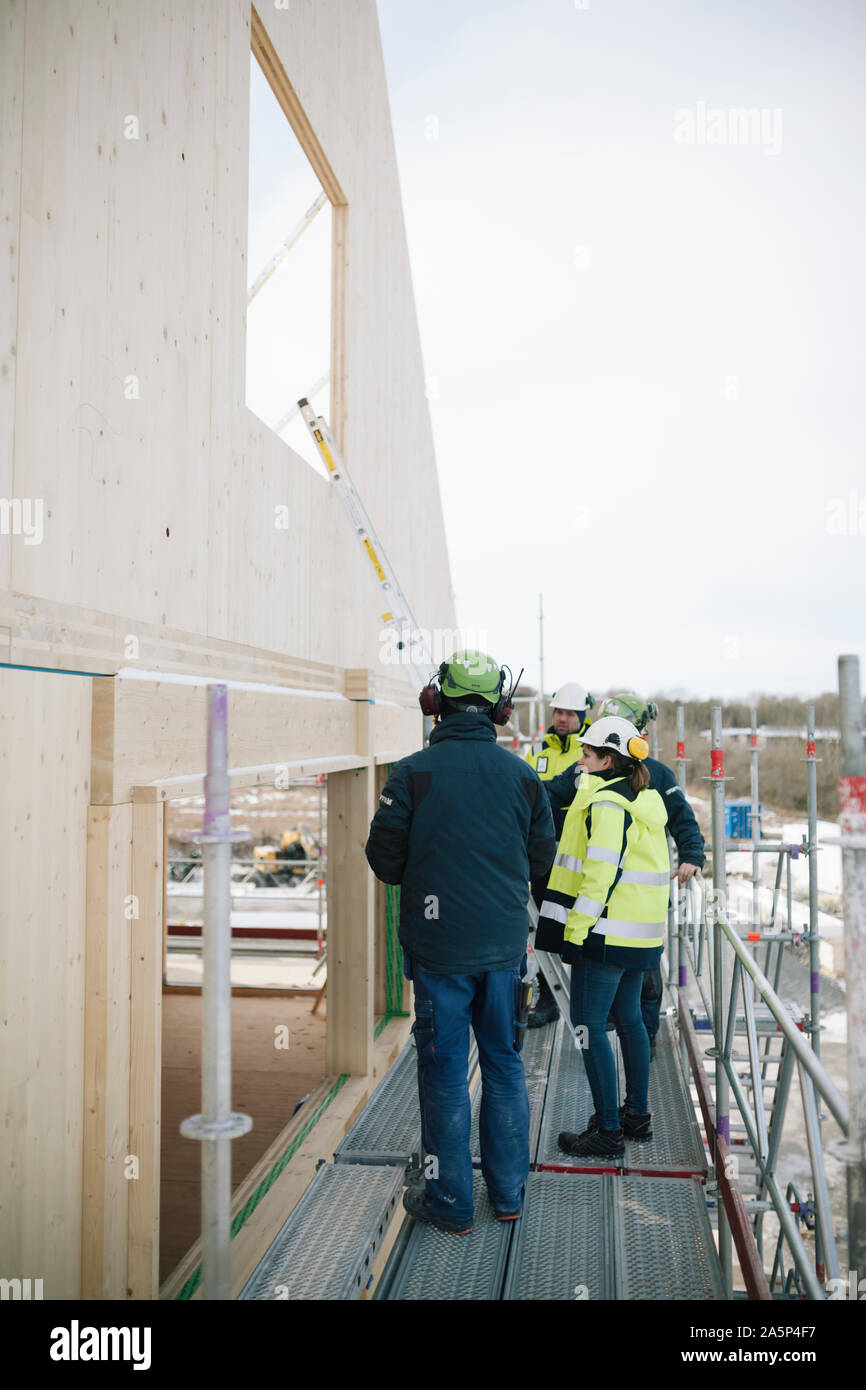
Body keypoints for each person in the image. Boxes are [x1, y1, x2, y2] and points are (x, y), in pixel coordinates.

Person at [365, 649, 556, 1233]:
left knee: (445, 1072)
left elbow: (384, 861)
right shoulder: (524, 777)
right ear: (498, 708)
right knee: (502, 1064)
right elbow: (542, 862)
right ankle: (508, 1195)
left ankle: (451, 1203)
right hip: (503, 951)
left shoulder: (412, 773)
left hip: (439, 952)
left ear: (436, 702)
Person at [536, 716, 670, 1157]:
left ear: (607, 760)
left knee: (587, 1025)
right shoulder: (642, 797)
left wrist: (575, 933)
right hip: (639, 934)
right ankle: (636, 1116)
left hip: (607, 932)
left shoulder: (608, 805)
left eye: (588, 755)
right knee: (629, 1018)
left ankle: (609, 1130)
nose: (580, 759)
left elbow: (599, 875)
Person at [543, 693, 704, 1053]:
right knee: (614, 983)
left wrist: (692, 855)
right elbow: (549, 796)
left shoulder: (658, 776)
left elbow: (684, 821)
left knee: (643, 981)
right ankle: (628, 1039)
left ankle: (644, 1036)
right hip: (600, 903)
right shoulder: (585, 772)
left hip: (634, 903)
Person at [523, 682, 593, 1027]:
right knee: (546, 930)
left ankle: (587, 1004)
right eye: (559, 712)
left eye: (569, 713)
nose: (562, 719)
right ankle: (549, 999)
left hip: (582, 857)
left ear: (582, 716)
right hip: (544, 856)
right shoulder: (538, 750)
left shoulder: (591, 751)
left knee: (583, 930)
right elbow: (526, 795)